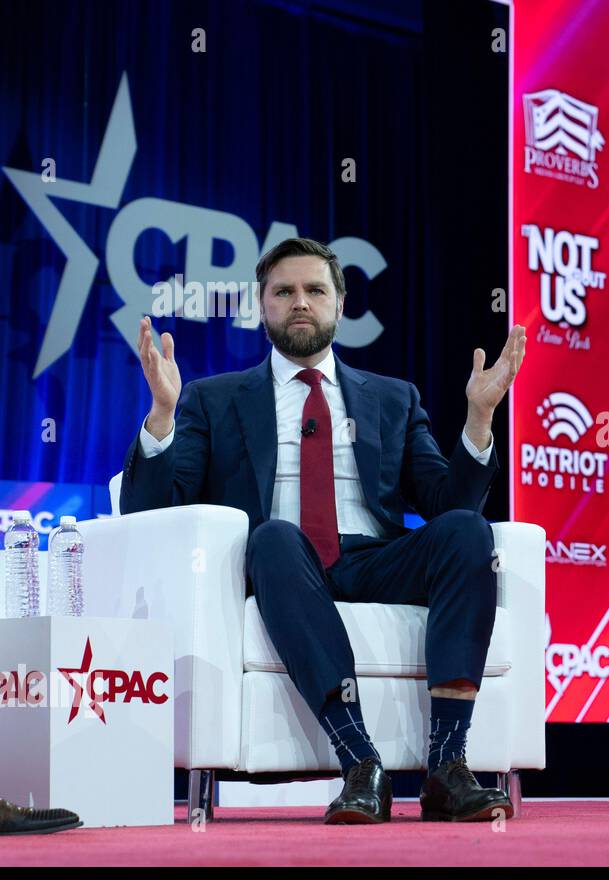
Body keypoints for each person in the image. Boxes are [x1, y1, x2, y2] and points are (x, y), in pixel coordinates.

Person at [122, 238, 527, 824]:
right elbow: (152, 509)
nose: (300, 303)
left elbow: (447, 502)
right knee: (274, 536)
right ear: (262, 307)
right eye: (284, 292)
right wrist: (162, 415)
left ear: (339, 304)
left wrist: (480, 420)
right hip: (282, 566)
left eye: (315, 290)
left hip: (372, 559)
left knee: (468, 532)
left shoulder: (391, 398)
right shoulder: (214, 399)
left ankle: (447, 765)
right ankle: (361, 764)